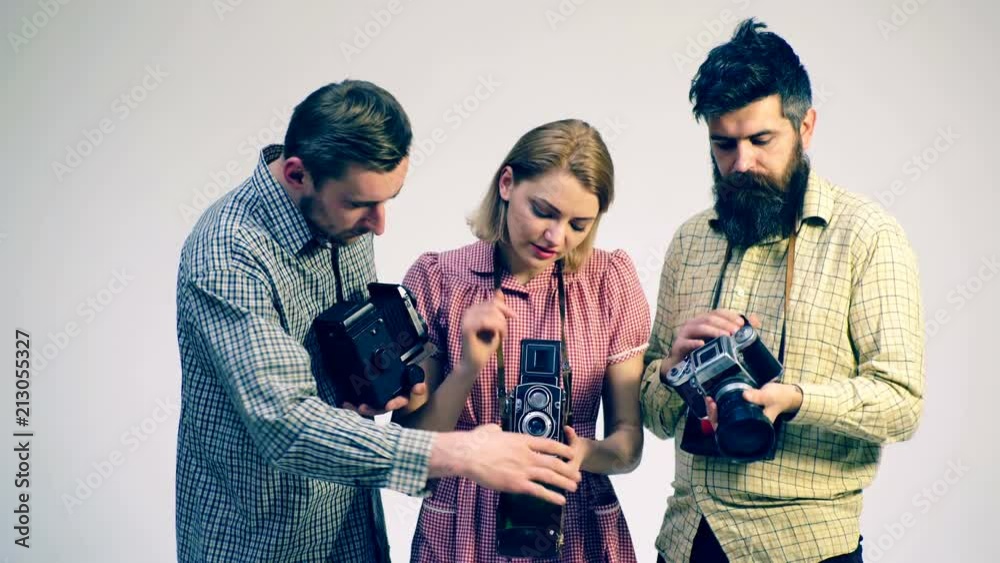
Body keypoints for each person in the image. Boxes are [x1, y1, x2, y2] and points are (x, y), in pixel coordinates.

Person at [174, 80, 581, 563]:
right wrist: (462, 453)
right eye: (361, 204)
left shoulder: (343, 218)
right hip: (259, 541)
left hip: (350, 529)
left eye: (390, 198)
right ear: (297, 174)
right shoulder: (227, 255)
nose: (380, 224)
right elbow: (287, 425)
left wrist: (392, 385)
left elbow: (346, 347)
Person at [640, 19, 926, 563]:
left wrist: (794, 400)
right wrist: (671, 371)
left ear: (807, 126)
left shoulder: (867, 235)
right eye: (723, 145)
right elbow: (654, 415)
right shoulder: (689, 240)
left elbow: (902, 403)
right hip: (684, 541)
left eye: (761, 140)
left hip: (806, 548)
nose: (741, 163)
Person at [395, 119, 650, 562]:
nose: (558, 237)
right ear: (507, 183)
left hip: (576, 522)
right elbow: (413, 447)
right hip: (464, 528)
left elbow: (628, 445)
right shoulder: (437, 279)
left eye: (579, 223)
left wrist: (584, 452)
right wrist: (467, 368)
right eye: (544, 211)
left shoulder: (610, 280)